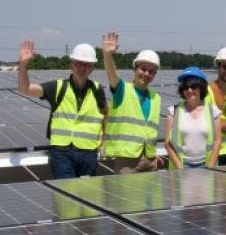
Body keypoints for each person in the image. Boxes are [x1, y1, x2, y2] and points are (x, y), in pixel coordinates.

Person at [17, 40, 106, 179]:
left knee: (88, 194)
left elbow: (105, 115)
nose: (82, 68)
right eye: (78, 63)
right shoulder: (58, 87)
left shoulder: (97, 89)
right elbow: (25, 89)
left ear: (92, 68)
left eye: (87, 65)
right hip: (62, 153)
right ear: (71, 65)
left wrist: (103, 141)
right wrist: (23, 64)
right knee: (66, 196)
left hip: (89, 152)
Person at [101, 31, 162, 174]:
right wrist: (107, 55)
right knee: (126, 196)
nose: (147, 74)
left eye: (152, 71)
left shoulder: (156, 98)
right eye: (143, 69)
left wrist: (152, 154)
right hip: (127, 162)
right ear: (135, 69)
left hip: (150, 159)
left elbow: (148, 131)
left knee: (150, 196)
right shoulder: (122, 90)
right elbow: (111, 74)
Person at [165, 67, 222, 168]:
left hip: (206, 165)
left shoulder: (213, 111)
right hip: (182, 165)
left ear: (201, 87)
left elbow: (217, 141)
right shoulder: (173, 111)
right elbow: (168, 144)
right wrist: (179, 167)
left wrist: (210, 166)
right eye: (186, 87)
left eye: (194, 86)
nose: (189, 90)